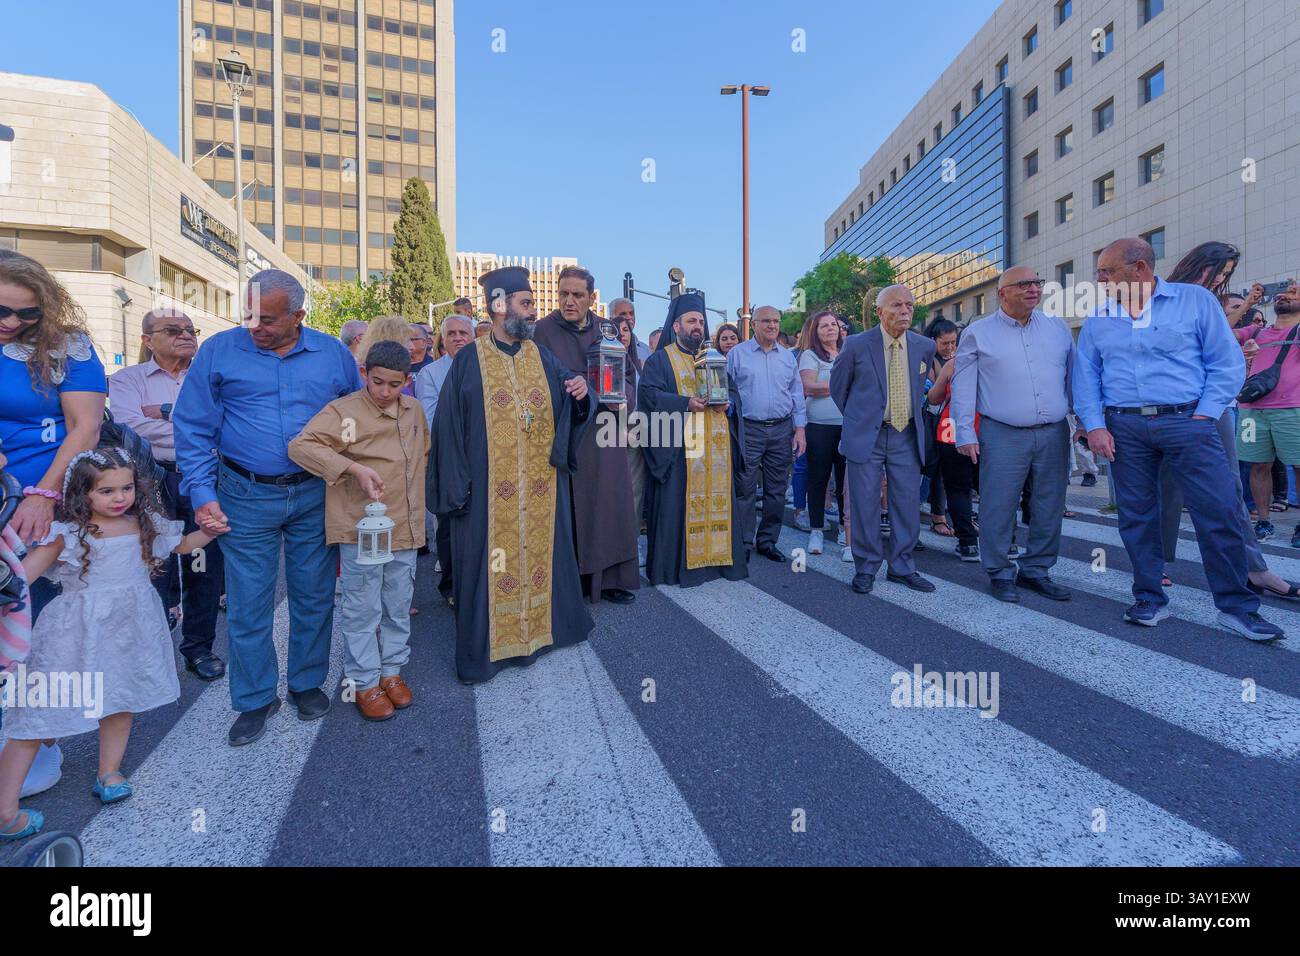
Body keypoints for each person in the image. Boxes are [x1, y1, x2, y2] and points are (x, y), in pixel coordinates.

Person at [174, 269, 363, 746]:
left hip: (315, 492)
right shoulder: (219, 350)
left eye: (269, 319)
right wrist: (202, 494)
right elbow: (192, 426)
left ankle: (305, 684)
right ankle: (256, 697)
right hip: (243, 493)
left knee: (314, 594)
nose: (255, 325)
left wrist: (350, 470)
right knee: (248, 602)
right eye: (249, 314)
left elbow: (355, 421)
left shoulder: (334, 356)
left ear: (300, 316)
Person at [0, 448, 225, 841]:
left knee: (121, 698)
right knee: (36, 714)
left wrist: (208, 531)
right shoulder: (67, 533)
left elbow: (183, 547)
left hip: (128, 630)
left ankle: (109, 772)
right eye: (106, 491)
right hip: (73, 634)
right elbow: (23, 576)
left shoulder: (145, 525)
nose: (119, 498)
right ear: (81, 493)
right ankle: (4, 810)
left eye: (126, 488)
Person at [1074, 238, 1283, 640]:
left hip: (1187, 419)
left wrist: (1204, 414)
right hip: (1125, 427)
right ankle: (1149, 596)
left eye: (1107, 270)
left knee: (1219, 510)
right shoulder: (1099, 319)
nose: (1099, 278)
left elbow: (1225, 362)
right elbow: (1087, 377)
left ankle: (1237, 607)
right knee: (1136, 514)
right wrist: (1095, 425)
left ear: (1139, 269)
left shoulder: (1195, 302)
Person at [426, 266, 595, 684]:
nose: (534, 311)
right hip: (486, 491)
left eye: (534, 303)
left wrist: (579, 393)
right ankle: (489, 652)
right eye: (526, 303)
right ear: (500, 307)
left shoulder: (543, 356)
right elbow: (447, 430)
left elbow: (571, 398)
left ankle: (542, 632)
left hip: (539, 484)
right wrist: (458, 488)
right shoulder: (469, 360)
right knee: (489, 567)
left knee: (543, 554)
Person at [289, 341, 429, 721]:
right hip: (362, 529)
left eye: (394, 385)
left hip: (405, 524)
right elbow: (301, 447)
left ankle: (392, 672)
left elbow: (421, 457)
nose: (384, 392)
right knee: (362, 608)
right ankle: (364, 682)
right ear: (365, 373)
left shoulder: (414, 410)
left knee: (398, 606)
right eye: (378, 381)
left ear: (407, 381)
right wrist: (353, 469)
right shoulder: (344, 411)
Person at [1156, 241, 1300, 599]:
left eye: (1227, 273)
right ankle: (1154, 564)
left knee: (1230, 492)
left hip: (1213, 407)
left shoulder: (1210, 304)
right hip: (1169, 408)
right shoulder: (1163, 298)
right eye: (1219, 269)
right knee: (1165, 492)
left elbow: (1219, 349)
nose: (1221, 278)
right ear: (1198, 264)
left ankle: (1255, 569)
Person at [107, 307, 226, 680]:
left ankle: (198, 649)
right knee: (152, 568)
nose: (185, 335)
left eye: (191, 329)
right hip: (148, 481)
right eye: (173, 329)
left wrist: (163, 413)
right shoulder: (128, 379)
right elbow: (128, 429)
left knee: (203, 566)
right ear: (147, 340)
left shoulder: (210, 378)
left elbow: (226, 424)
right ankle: (153, 653)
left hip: (202, 478)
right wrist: (195, 427)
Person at [951, 266, 1075, 603]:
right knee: (998, 504)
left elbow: (1073, 376)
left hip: (1053, 431)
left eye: (1037, 282)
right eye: (1023, 285)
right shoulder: (978, 333)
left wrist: (1082, 421)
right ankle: (1000, 572)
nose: (1033, 289)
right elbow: (963, 385)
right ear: (1002, 293)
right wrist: (965, 432)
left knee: (1050, 504)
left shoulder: (1057, 328)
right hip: (1001, 431)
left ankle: (1036, 570)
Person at [533, 267, 640, 604]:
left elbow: (627, 377)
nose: (569, 301)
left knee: (609, 505)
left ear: (592, 298)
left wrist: (601, 391)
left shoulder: (606, 330)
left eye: (577, 295)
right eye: (563, 293)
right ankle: (566, 581)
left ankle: (609, 581)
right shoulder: (542, 332)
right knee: (566, 509)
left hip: (604, 433)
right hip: (563, 433)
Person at [830, 285, 936, 595]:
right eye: (897, 305)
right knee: (864, 503)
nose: (905, 311)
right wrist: (861, 418)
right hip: (867, 435)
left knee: (906, 502)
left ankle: (902, 566)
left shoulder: (924, 346)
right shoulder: (855, 345)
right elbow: (840, 390)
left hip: (906, 434)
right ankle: (866, 566)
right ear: (879, 312)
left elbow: (919, 389)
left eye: (909, 305)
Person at [640, 292, 748, 587]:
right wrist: (684, 403)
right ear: (676, 326)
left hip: (717, 453)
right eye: (691, 321)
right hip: (679, 452)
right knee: (678, 507)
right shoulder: (660, 360)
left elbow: (734, 394)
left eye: (701, 321)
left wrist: (729, 405)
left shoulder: (714, 358)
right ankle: (675, 569)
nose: (697, 326)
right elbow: (648, 397)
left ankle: (718, 564)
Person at [727, 305, 807, 562]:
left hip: (781, 430)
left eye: (776, 321)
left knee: (776, 490)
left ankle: (768, 541)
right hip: (749, 429)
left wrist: (800, 430)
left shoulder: (787, 357)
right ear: (754, 325)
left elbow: (797, 394)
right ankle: (743, 542)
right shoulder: (737, 354)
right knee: (745, 488)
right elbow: (726, 391)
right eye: (767, 321)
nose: (772, 325)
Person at [1237, 281, 1300, 546]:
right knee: (1258, 465)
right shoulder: (1258, 332)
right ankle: (1263, 521)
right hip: (1252, 412)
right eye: (1286, 291)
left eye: (1295, 292)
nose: (1286, 294)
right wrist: (1248, 303)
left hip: (1293, 409)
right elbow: (1220, 332)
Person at [926, 318, 980, 561]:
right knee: (994, 489)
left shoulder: (953, 365)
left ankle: (967, 543)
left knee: (958, 488)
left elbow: (935, 397)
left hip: (951, 430)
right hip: (987, 431)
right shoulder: (1000, 364)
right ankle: (1006, 542)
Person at [797, 310, 846, 556]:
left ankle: (846, 531)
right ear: (815, 332)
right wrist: (842, 386)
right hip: (818, 426)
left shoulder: (849, 353)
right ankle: (816, 529)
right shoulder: (810, 355)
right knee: (818, 479)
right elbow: (808, 387)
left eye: (833, 324)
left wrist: (828, 387)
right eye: (823, 326)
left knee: (847, 483)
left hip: (848, 426)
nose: (830, 329)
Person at [922, 318, 958, 536]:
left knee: (950, 468)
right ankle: (938, 518)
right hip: (931, 420)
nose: (950, 347)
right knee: (933, 468)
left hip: (951, 420)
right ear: (933, 340)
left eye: (953, 342)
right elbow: (932, 394)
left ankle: (950, 515)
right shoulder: (927, 359)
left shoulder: (958, 357)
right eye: (945, 343)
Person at [609, 297, 651, 365]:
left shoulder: (645, 350)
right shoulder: (603, 347)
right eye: (623, 314)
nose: (629, 317)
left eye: (631, 313)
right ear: (611, 319)